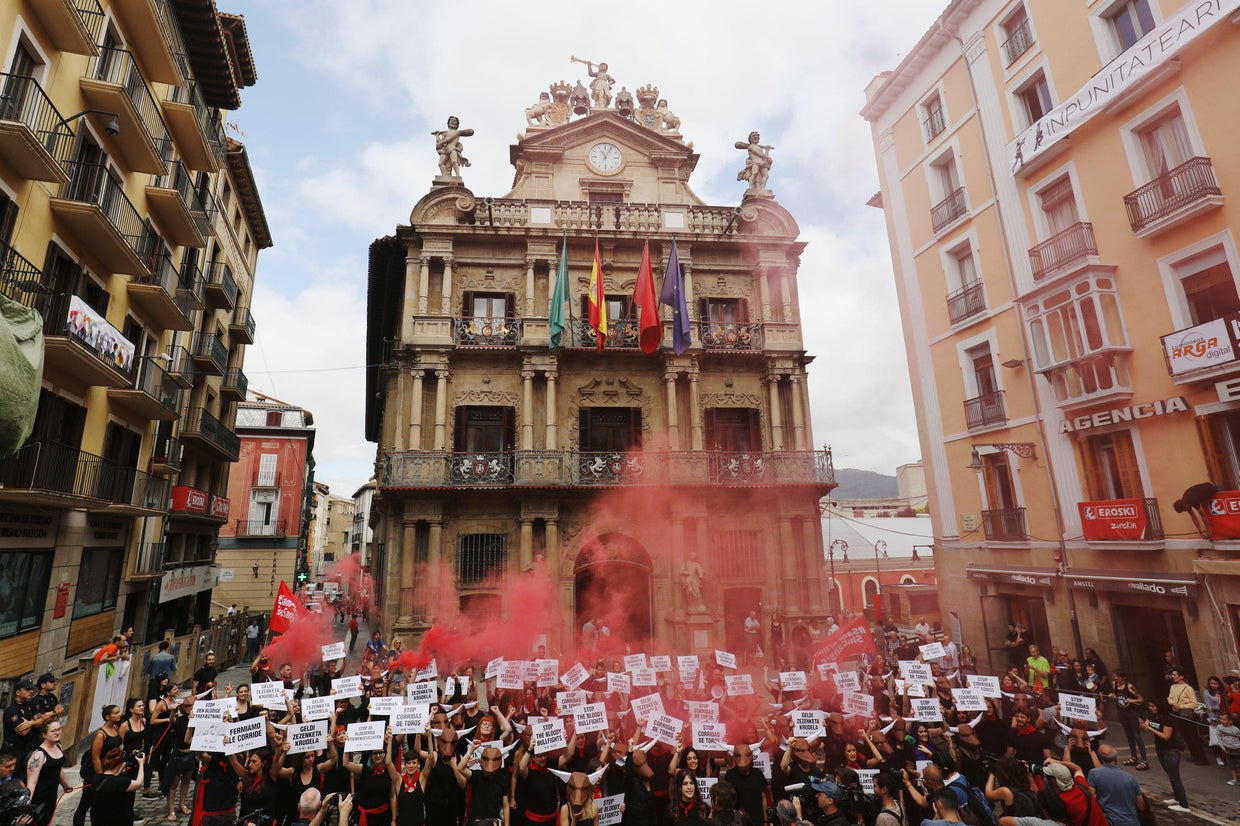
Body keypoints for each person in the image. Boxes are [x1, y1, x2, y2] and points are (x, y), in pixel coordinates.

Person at [1139, 698, 1189, 812]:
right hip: (1160, 749)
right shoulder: (1153, 717)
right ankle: (1177, 798)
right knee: (1170, 774)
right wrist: (1143, 725)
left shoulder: (1167, 719)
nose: (1151, 708)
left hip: (1170, 750)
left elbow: (1166, 736)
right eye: (1150, 706)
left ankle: (1184, 804)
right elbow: (1144, 730)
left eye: (1153, 706)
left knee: (1174, 777)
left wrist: (1150, 728)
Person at [1085, 745, 1145, 826]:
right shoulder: (1131, 779)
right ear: (1116, 758)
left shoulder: (1094, 773)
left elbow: (1091, 797)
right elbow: (1141, 806)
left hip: (1110, 821)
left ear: (1101, 759)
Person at [24, 720, 70, 826]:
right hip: (39, 797)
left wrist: (65, 785)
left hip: (52, 795)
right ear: (44, 734)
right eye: (53, 731)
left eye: (59, 729)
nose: (57, 733)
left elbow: (58, 768)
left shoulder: (58, 746)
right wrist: (27, 803)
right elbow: (32, 782)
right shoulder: (39, 755)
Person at [91, 746, 145, 826]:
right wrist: (141, 764)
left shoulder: (96, 779)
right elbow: (139, 783)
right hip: (118, 819)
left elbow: (110, 777)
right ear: (119, 764)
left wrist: (120, 769)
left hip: (99, 819)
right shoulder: (121, 782)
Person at [1041, 760, 1105, 826]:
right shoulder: (1081, 785)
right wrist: (1059, 763)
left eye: (1046, 776)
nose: (1045, 779)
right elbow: (1077, 769)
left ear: (1053, 780)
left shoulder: (1060, 802)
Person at [1166, 668, 1208, 765]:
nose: (1173, 676)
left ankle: (1202, 758)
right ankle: (1194, 755)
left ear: (1181, 676)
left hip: (1186, 714)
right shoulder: (1173, 687)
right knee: (1185, 735)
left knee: (1193, 736)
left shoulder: (1188, 688)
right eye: (1172, 674)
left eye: (1175, 675)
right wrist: (1172, 703)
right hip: (1177, 713)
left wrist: (1181, 706)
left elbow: (1194, 704)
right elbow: (1170, 698)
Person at [1107, 671, 1146, 770]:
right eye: (1115, 677)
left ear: (1123, 678)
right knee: (1129, 735)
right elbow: (1115, 695)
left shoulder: (1129, 687)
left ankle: (1144, 759)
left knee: (1137, 735)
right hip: (1122, 713)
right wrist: (1112, 696)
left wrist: (1132, 700)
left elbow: (1141, 699)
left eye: (1118, 677)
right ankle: (1134, 757)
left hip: (1131, 713)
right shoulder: (1114, 684)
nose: (1116, 679)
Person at [2, 679, 39, 778]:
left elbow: (41, 722)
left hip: (28, 748)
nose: (31, 691)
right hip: (15, 751)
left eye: (31, 689)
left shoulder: (29, 705)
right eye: (27, 689)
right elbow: (23, 732)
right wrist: (34, 722)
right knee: (13, 778)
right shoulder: (12, 711)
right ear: (18, 692)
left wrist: (30, 722)